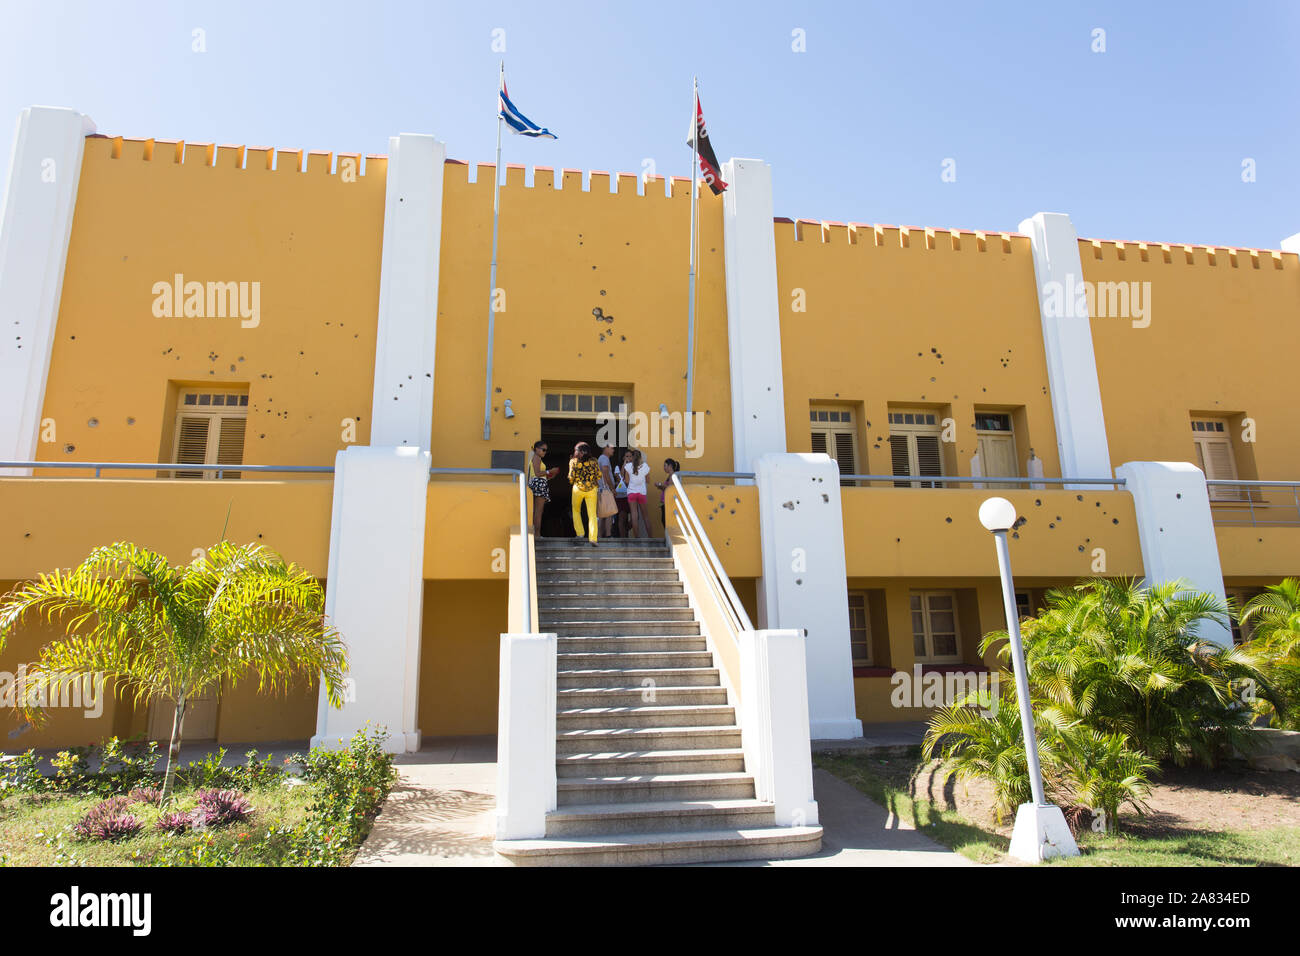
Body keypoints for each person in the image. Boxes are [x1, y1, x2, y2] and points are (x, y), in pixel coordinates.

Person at [569, 442, 602, 546]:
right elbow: (599, 475)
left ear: (582, 452)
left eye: (576, 450)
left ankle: (580, 533)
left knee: (576, 511)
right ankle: (593, 538)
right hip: (592, 490)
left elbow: (571, 477)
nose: (574, 452)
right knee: (592, 515)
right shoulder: (594, 461)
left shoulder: (573, 461)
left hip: (577, 489)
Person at [526, 440, 559, 537]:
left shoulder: (536, 458)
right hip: (538, 485)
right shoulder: (536, 458)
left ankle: (536, 534)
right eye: (543, 450)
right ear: (536, 449)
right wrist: (550, 471)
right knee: (538, 512)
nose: (545, 452)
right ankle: (537, 534)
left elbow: (539, 474)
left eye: (546, 450)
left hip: (538, 484)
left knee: (537, 511)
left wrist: (550, 475)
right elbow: (537, 473)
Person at [622, 448, 653, 538]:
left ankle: (636, 538)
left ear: (632, 457)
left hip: (631, 493)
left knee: (634, 515)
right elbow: (648, 480)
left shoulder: (628, 467)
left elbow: (627, 481)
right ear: (640, 457)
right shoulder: (645, 466)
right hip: (642, 493)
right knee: (645, 516)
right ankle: (651, 538)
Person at [655, 458, 681, 532]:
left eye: (665, 466)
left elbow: (669, 488)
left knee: (665, 520)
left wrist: (660, 484)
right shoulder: (670, 476)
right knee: (664, 520)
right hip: (665, 501)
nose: (664, 468)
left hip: (668, 502)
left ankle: (669, 536)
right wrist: (660, 487)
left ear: (670, 466)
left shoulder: (673, 476)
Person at [597, 444, 617, 538]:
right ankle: (608, 535)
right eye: (612, 448)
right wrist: (612, 488)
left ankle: (599, 536)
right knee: (609, 513)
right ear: (606, 448)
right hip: (606, 490)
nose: (613, 450)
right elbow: (605, 473)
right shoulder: (604, 458)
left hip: (601, 489)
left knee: (602, 514)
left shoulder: (601, 458)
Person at [613, 454, 631, 538]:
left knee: (635, 518)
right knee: (622, 518)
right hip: (621, 496)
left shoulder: (634, 467)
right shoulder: (618, 467)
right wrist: (624, 465)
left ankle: (626, 531)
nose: (629, 458)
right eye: (627, 456)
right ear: (623, 458)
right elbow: (620, 480)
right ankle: (623, 538)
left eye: (630, 456)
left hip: (631, 495)